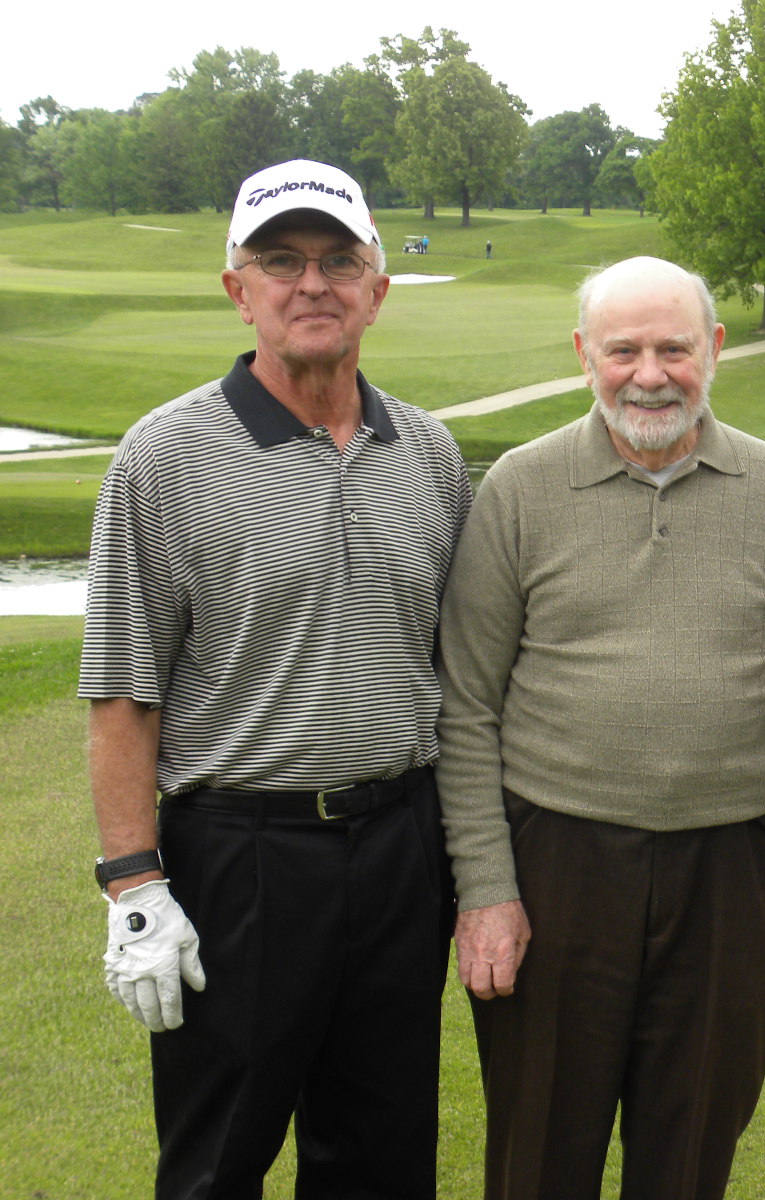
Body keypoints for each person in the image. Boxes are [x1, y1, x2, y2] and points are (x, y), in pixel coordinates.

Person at [80, 158, 472, 1199]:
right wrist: (133, 882)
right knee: (218, 1160)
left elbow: (457, 673)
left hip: (401, 848)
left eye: (339, 260)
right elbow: (124, 688)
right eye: (281, 261)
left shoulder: (429, 454)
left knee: (382, 1156)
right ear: (237, 288)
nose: (313, 284)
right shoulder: (161, 458)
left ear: (376, 290)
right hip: (243, 856)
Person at [435, 255, 765, 1199]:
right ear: (586, 355)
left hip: (732, 871)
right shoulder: (519, 488)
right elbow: (464, 707)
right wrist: (487, 889)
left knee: (692, 1155)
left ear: (715, 348)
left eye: (674, 347)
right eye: (624, 349)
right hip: (558, 865)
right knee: (541, 1155)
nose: (650, 373)